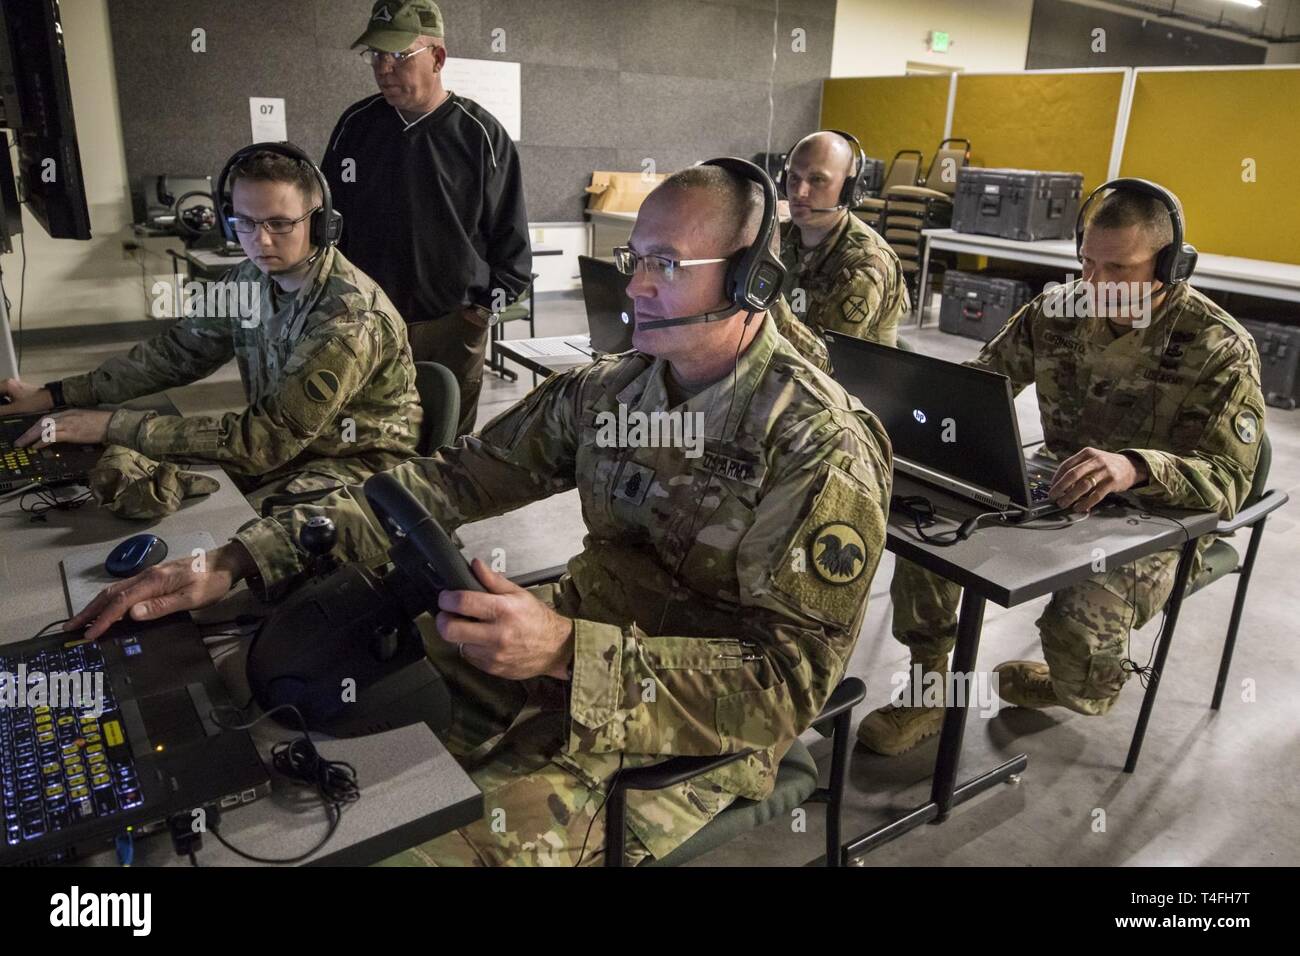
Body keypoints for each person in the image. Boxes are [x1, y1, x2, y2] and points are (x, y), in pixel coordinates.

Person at [69, 161, 893, 866]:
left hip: (684, 726)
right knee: (273, 699)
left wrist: (568, 650)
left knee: (415, 850)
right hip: (557, 644)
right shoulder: (610, 392)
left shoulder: (819, 445)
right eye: (636, 258)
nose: (637, 284)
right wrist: (238, 560)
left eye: (668, 265)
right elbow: (450, 480)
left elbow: (784, 690)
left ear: (750, 283)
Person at [857, 181, 1266, 756]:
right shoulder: (1058, 311)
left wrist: (1134, 467)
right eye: (1087, 262)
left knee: (1079, 623)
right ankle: (931, 686)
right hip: (1055, 483)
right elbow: (978, 387)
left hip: (1157, 516)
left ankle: (1068, 684)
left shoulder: (1218, 346)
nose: (1095, 284)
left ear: (1171, 266)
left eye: (1118, 268)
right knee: (930, 534)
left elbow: (1228, 482)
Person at [2, 146, 420, 511]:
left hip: (355, 465)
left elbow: (263, 440)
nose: (260, 241)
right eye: (245, 222)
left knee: (228, 531)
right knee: (134, 482)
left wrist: (114, 424)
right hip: (285, 449)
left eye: (279, 223)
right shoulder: (249, 279)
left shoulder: (347, 321)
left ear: (322, 223)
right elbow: (178, 353)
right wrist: (55, 394)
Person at [323, 0, 531, 437]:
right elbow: (329, 222)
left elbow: (511, 240)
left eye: (399, 54)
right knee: (368, 439)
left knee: (444, 442)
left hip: (451, 327)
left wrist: (482, 314)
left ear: (437, 58)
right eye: (376, 54)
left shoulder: (481, 136)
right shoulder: (355, 127)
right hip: (366, 323)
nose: (384, 68)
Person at [779, 130, 909, 346]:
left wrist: (767, 311)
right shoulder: (779, 236)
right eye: (793, 178)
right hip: (782, 359)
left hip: (847, 367)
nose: (799, 192)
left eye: (817, 179)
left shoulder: (866, 263)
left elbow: (828, 358)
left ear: (849, 190)